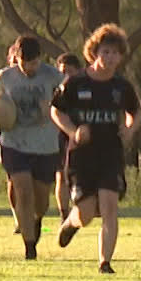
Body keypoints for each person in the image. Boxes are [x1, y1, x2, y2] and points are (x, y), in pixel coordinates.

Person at [51, 23, 141, 274]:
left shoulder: (122, 87)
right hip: (82, 156)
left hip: (110, 153)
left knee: (110, 205)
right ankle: (71, 223)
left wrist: (130, 129)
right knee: (87, 213)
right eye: (106, 52)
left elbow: (135, 113)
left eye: (115, 53)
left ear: (121, 56)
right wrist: (73, 131)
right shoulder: (76, 82)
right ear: (95, 52)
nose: (110, 58)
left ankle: (105, 262)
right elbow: (56, 110)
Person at [0, 34, 66, 260]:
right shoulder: (4, 77)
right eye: (24, 63)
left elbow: (70, 100)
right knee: (22, 189)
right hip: (14, 142)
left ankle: (37, 219)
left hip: (45, 144)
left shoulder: (52, 76)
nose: (29, 68)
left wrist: (51, 107)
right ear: (16, 58)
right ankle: (29, 247)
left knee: (41, 199)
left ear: (40, 58)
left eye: (34, 63)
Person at [53, 52, 84, 211]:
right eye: (61, 72)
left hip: (85, 137)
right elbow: (55, 112)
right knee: (61, 176)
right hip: (62, 136)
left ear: (78, 71)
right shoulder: (59, 91)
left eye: (69, 71)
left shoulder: (87, 87)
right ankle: (63, 214)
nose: (65, 75)